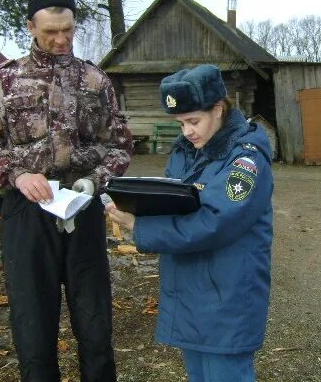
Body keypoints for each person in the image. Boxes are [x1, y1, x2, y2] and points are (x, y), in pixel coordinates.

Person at [0, 0, 132, 382]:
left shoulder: (95, 81)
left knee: (94, 322)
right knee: (33, 324)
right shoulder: (4, 81)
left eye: (68, 30)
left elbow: (121, 147)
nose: (61, 39)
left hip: (81, 207)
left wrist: (94, 181)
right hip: (28, 214)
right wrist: (17, 174)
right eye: (50, 31)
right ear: (30, 27)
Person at [106, 64, 274, 382]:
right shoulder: (187, 151)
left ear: (218, 108)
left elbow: (216, 220)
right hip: (193, 291)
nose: (187, 131)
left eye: (193, 121)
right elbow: (174, 201)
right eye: (181, 122)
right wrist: (138, 206)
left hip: (228, 297)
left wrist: (139, 227)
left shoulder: (245, 159)